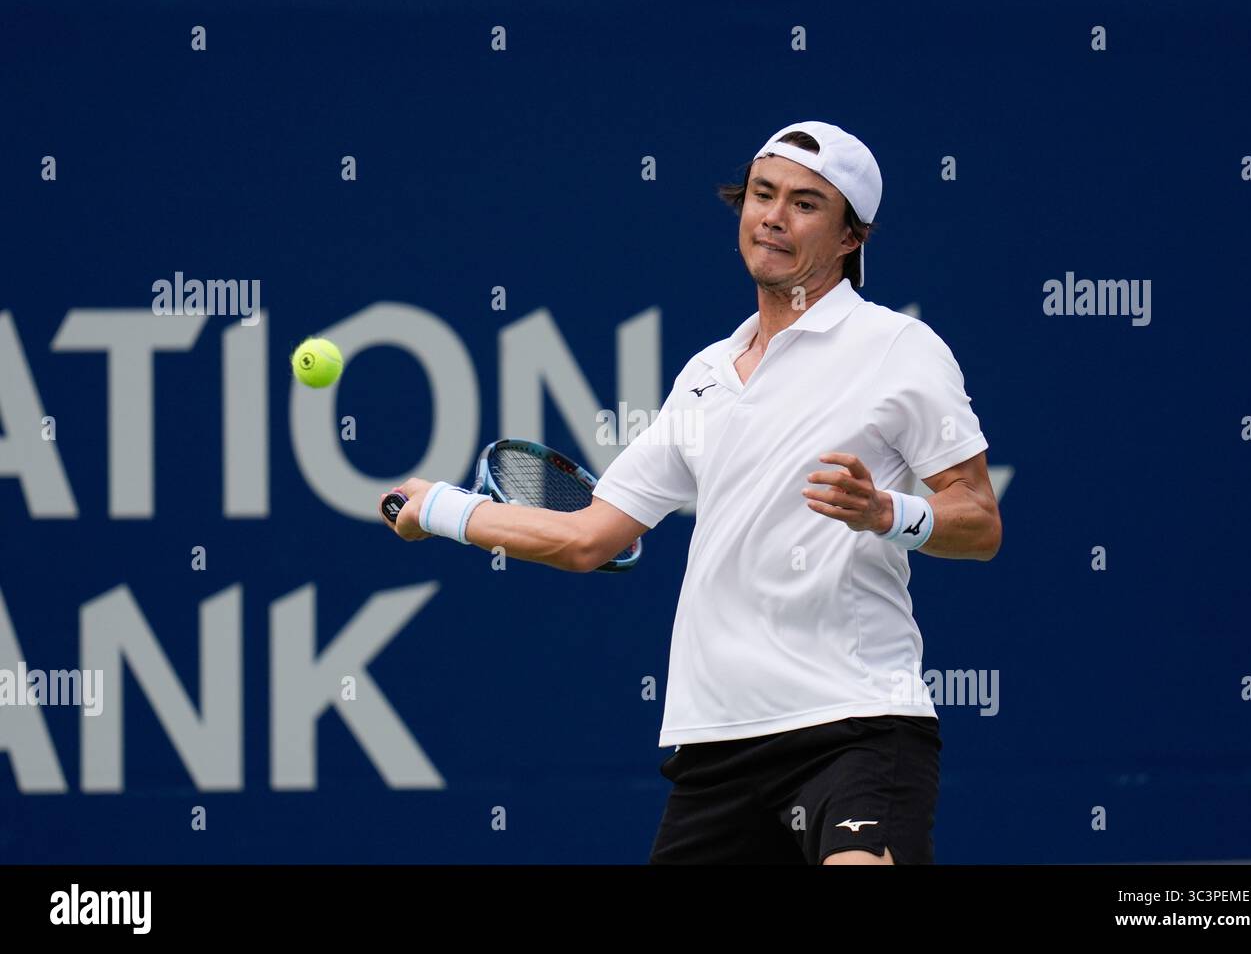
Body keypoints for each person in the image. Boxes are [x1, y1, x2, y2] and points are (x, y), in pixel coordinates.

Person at [381, 120, 1001, 865]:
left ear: (849, 237)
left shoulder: (899, 349)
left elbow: (979, 522)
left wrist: (886, 512)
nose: (772, 216)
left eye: (805, 204)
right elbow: (588, 538)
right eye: (761, 194)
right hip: (718, 744)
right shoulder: (707, 375)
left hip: (856, 723)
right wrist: (443, 510)